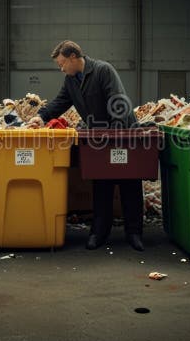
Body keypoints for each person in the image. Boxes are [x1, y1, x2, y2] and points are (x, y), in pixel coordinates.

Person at [27, 40, 145, 251]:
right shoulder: (71, 80)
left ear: (73, 57)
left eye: (62, 63)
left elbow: (117, 101)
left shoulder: (102, 70)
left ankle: (134, 233)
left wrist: (115, 135)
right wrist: (41, 117)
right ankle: (99, 233)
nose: (61, 68)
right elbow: (60, 102)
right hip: (99, 138)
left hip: (123, 134)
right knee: (101, 184)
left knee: (129, 185)